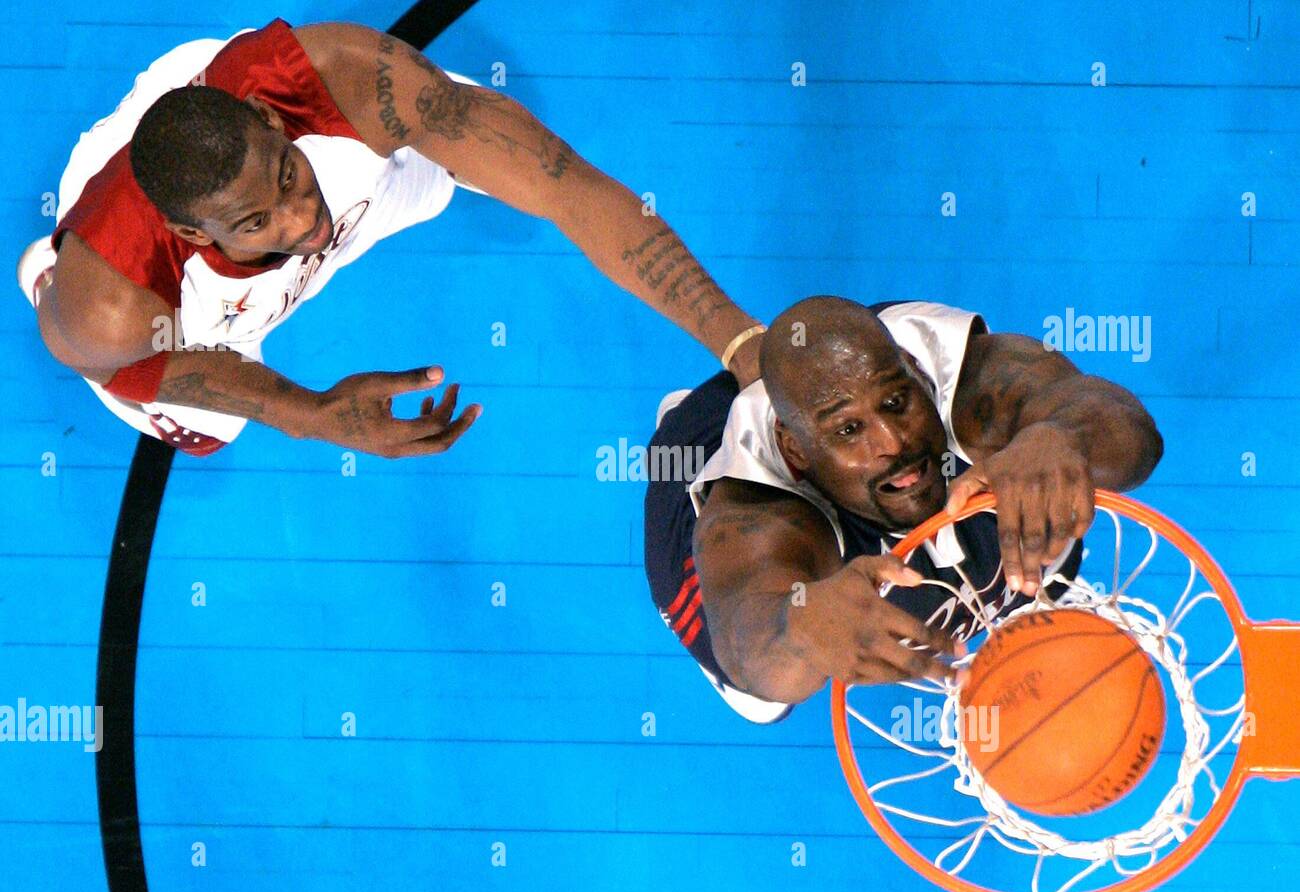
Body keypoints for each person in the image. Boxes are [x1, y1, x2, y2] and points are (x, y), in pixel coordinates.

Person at [17, 18, 765, 456]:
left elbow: (567, 185)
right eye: (259, 222)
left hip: (235, 121)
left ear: (274, 124)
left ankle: (263, 180)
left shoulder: (336, 78)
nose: (299, 219)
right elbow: (138, 371)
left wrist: (739, 341)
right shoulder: (111, 306)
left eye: (285, 176)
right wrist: (311, 414)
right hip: (171, 301)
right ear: (189, 230)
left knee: (459, 149)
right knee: (214, 433)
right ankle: (45, 270)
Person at [644, 297, 1163, 723]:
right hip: (695, 489)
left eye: (897, 404)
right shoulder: (758, 513)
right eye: (850, 431)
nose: (890, 440)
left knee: (1045, 490)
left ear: (916, 373)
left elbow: (1131, 437)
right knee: (769, 697)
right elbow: (749, 645)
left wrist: (1058, 434)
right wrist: (798, 625)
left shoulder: (968, 377)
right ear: (797, 452)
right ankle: (707, 411)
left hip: (839, 389)